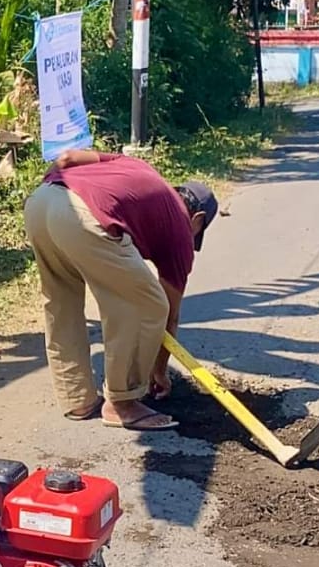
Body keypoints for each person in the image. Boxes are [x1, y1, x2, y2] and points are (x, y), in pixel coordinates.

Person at [24, 149, 218, 431]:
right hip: (81, 213)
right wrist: (159, 371)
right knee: (145, 305)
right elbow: (168, 313)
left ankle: (77, 399)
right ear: (197, 219)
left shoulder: (137, 170)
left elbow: (66, 159)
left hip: (42, 200)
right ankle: (122, 402)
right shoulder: (179, 224)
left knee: (61, 300)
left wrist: (54, 191)